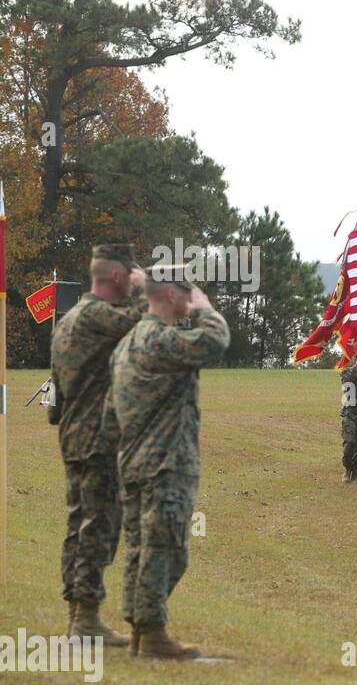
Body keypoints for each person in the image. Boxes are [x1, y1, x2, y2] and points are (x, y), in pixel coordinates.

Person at [101, 275, 230, 657]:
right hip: (166, 463)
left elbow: (110, 416)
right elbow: (216, 340)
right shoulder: (163, 340)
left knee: (140, 547)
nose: (193, 298)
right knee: (167, 548)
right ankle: (152, 631)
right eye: (188, 292)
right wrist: (205, 309)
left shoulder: (125, 346)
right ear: (172, 294)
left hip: (133, 464)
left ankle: (140, 631)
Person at [50, 243, 147, 644]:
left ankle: (79, 617)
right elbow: (146, 320)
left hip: (75, 433)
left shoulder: (69, 319)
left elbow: (55, 395)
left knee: (81, 523)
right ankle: (85, 619)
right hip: (96, 437)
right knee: (99, 525)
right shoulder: (97, 316)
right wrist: (147, 287)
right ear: (117, 277)